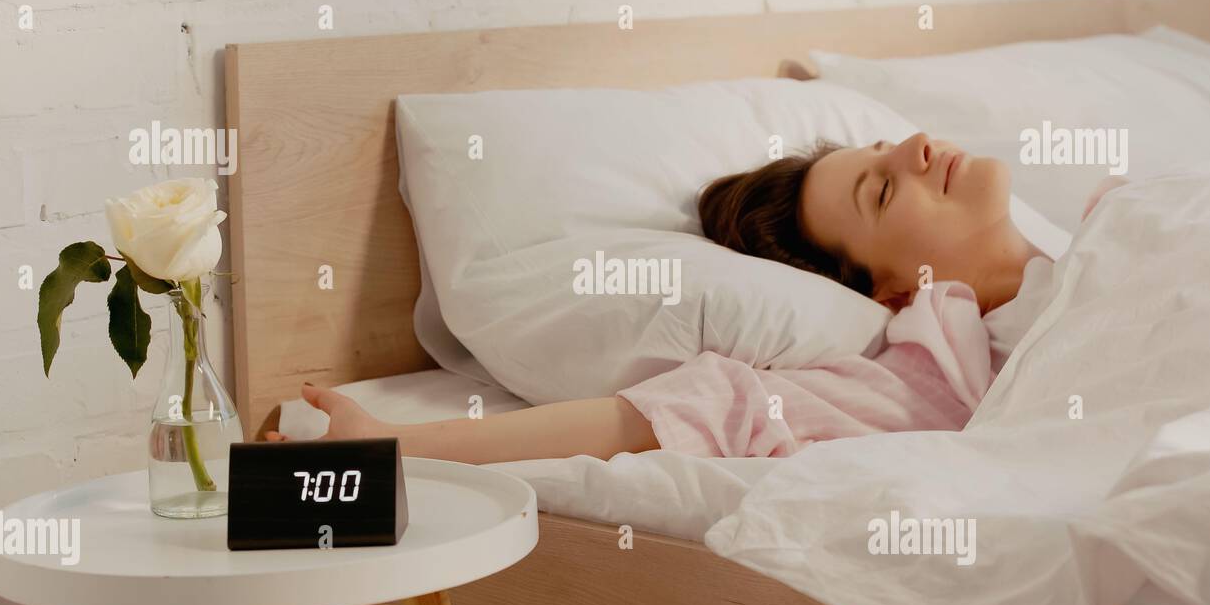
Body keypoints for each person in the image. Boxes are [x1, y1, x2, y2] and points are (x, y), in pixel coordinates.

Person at [266, 133, 1061, 462]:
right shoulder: (923, 371)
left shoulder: (1120, 220)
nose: (919, 145)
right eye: (883, 190)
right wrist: (391, 445)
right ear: (891, 290)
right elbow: (694, 410)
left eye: (889, 155)